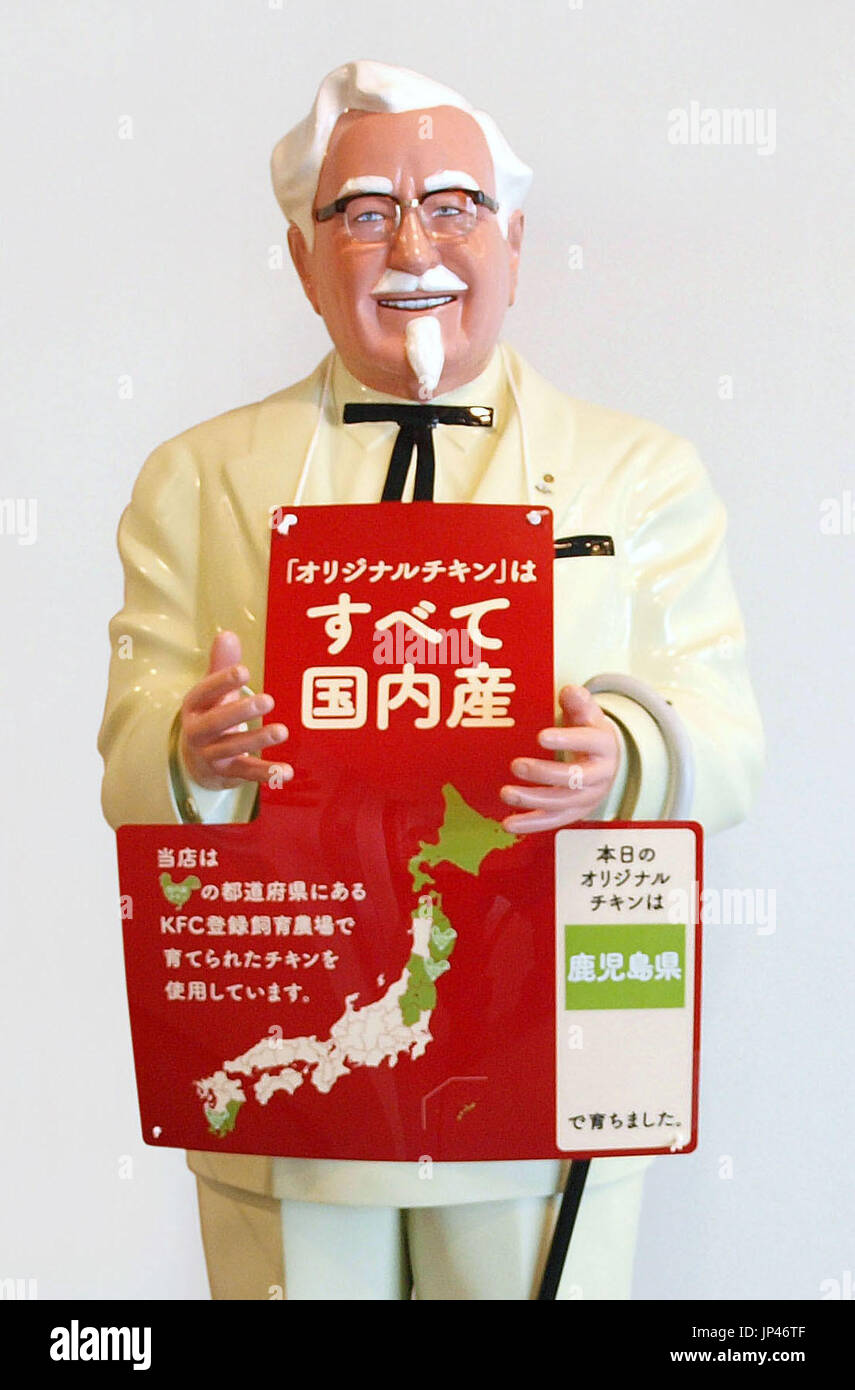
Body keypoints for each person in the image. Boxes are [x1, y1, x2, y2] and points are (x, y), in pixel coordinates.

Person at [98, 59, 765, 1300]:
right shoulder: (197, 478)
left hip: (543, 1043)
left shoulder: (641, 475)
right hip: (300, 1049)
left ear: (514, 240)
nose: (413, 243)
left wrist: (628, 752)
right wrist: (189, 758)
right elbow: (128, 740)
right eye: (365, 212)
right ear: (304, 258)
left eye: (452, 204)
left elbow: (728, 735)